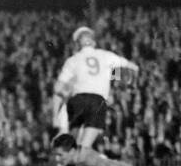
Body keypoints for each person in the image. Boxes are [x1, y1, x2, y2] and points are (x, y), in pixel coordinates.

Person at [51, 25, 139, 156]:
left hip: (77, 101)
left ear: (77, 44)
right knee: (83, 147)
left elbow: (57, 88)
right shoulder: (106, 55)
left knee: (73, 144)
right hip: (97, 102)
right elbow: (133, 67)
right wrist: (119, 80)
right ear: (93, 41)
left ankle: (69, 163)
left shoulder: (73, 60)